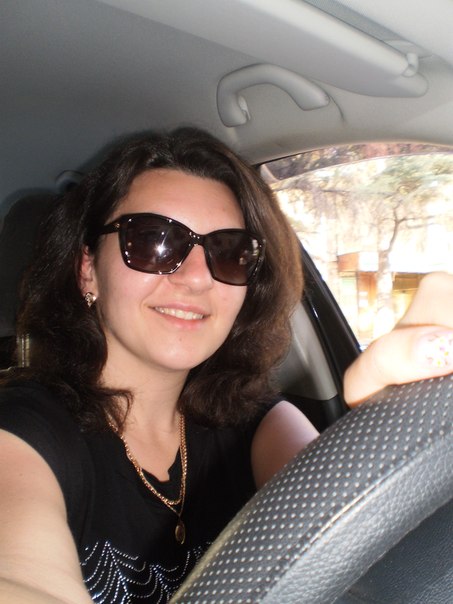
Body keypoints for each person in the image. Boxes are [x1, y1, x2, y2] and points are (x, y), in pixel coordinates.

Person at [0, 128, 451, 604]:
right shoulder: (23, 435)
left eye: (229, 252)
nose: (198, 278)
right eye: (154, 241)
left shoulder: (260, 424)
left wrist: (394, 434)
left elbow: (368, 561)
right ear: (87, 269)